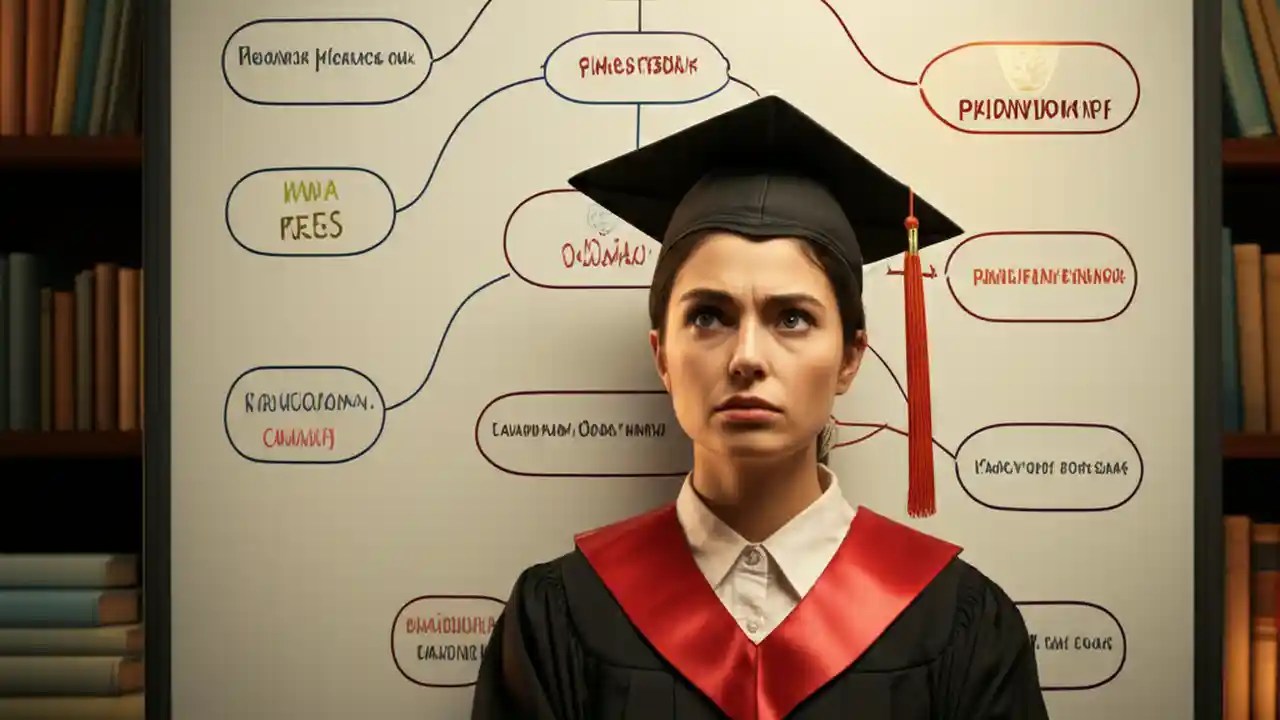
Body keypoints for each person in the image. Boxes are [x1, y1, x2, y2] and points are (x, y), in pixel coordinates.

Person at [469, 95, 1049, 719]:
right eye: (709, 316)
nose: (747, 356)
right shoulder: (557, 618)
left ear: (851, 358)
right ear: (662, 356)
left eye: (792, 318)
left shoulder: (959, 624)